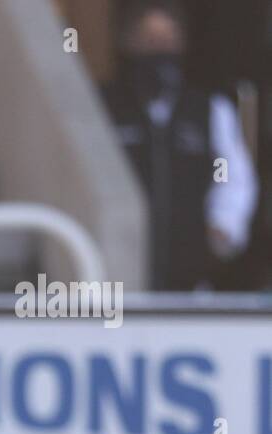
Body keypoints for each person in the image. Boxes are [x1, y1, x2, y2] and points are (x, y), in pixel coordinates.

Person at [102, 0, 257, 289]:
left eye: (166, 41)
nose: (158, 51)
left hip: (190, 278)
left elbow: (232, 175)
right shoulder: (102, 109)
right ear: (126, 43)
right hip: (118, 279)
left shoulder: (209, 111)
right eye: (148, 40)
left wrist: (223, 225)